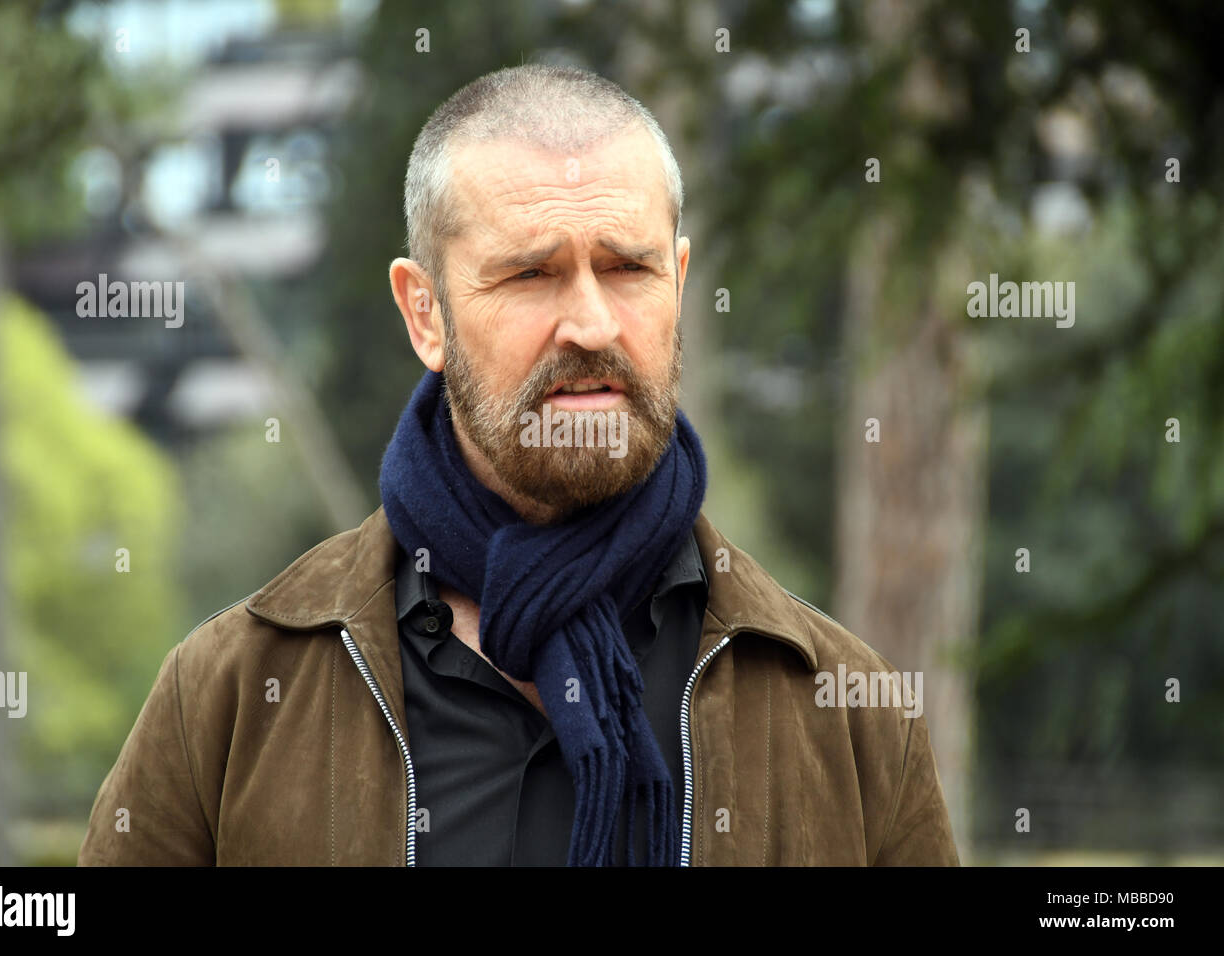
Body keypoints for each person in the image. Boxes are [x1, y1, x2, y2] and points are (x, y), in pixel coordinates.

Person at [78, 63, 959, 867]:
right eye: (532, 274)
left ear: (679, 282)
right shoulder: (230, 702)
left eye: (628, 269)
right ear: (425, 314)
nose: (592, 323)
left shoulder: (848, 717)